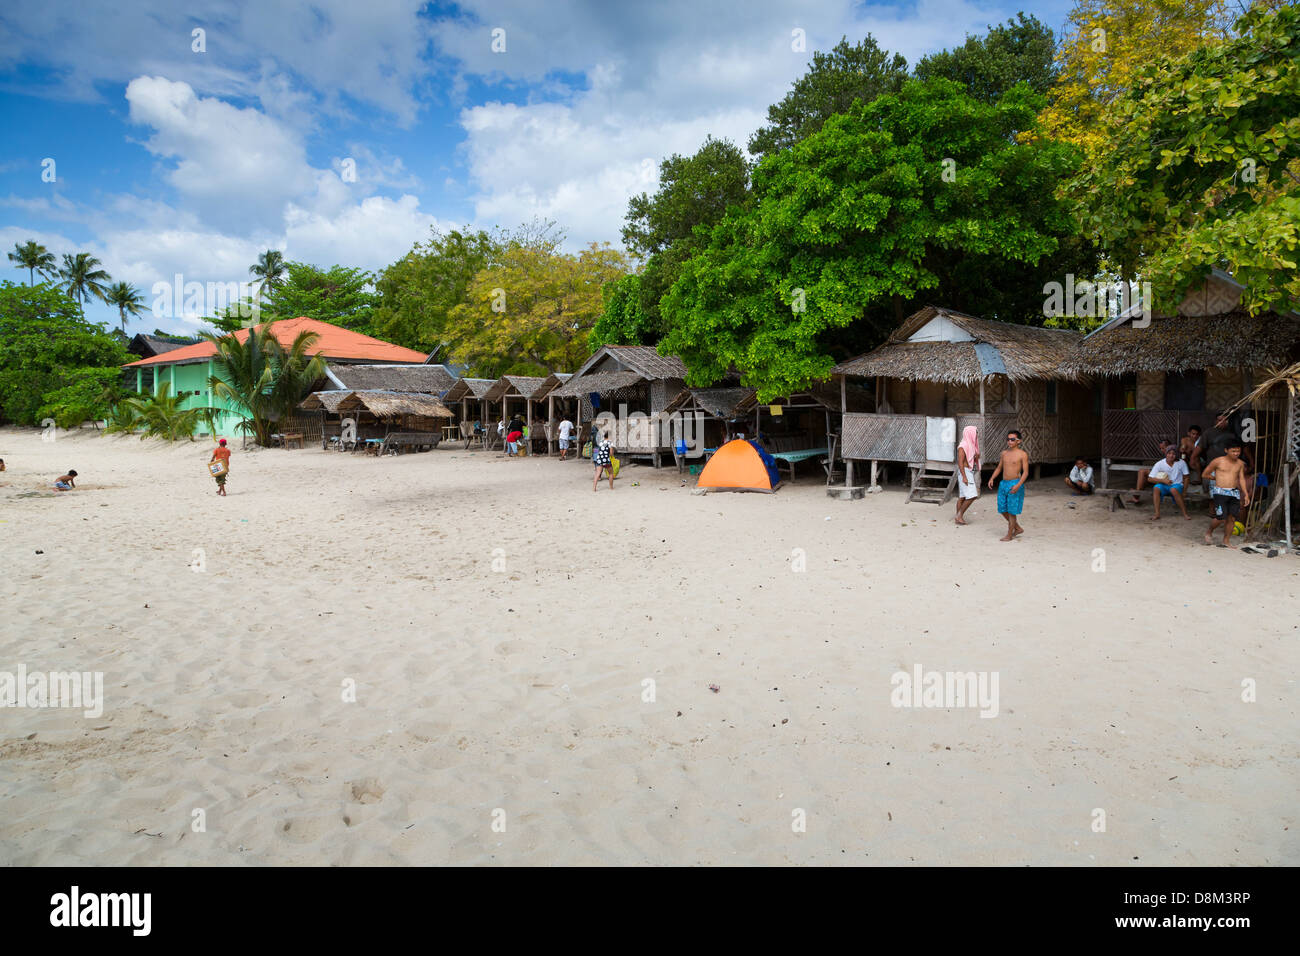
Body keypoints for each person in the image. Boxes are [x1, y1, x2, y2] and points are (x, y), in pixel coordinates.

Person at [1202, 438, 1251, 547]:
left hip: (1234, 493)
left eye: (1238, 451)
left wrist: (1246, 494)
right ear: (1226, 450)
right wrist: (1215, 478)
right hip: (1220, 492)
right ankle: (1209, 531)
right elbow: (1204, 474)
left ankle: (1226, 541)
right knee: (1221, 517)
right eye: (1233, 451)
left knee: (1232, 517)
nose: (1236, 453)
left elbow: (1241, 479)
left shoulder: (1240, 464)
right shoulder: (1217, 461)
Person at [987, 430, 1028, 541]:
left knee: (1011, 511)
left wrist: (1018, 485)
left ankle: (1009, 534)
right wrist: (992, 478)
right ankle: (1018, 528)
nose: (1009, 441)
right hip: (1003, 484)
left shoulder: (1022, 454)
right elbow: (999, 467)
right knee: (1002, 508)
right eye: (1008, 439)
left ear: (1019, 441)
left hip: (1015, 483)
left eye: (1012, 439)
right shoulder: (1004, 453)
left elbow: (1025, 472)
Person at [1146, 443, 1190, 521]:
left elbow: (1186, 478)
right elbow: (1150, 478)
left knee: (1173, 490)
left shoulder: (1181, 463)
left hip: (1177, 485)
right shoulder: (1160, 463)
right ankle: (1157, 513)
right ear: (1166, 454)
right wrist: (1163, 480)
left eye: (1173, 454)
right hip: (1164, 485)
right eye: (1169, 453)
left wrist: (1184, 491)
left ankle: (1185, 513)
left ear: (1176, 455)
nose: (1171, 455)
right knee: (1156, 488)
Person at [1129, 439, 1173, 503]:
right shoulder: (1166, 457)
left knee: (1142, 472)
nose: (1162, 450)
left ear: (1169, 447)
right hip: (1162, 476)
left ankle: (1136, 495)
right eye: (1160, 448)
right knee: (1143, 475)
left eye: (1163, 448)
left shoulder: (1172, 455)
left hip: (1167, 479)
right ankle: (1137, 495)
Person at [954, 425, 979, 525]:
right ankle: (959, 515)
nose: (976, 435)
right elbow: (960, 462)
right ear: (970, 433)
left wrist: (976, 457)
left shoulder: (971, 445)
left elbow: (972, 459)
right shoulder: (963, 446)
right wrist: (964, 476)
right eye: (975, 433)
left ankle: (958, 517)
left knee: (963, 496)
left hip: (968, 471)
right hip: (965, 472)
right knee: (972, 496)